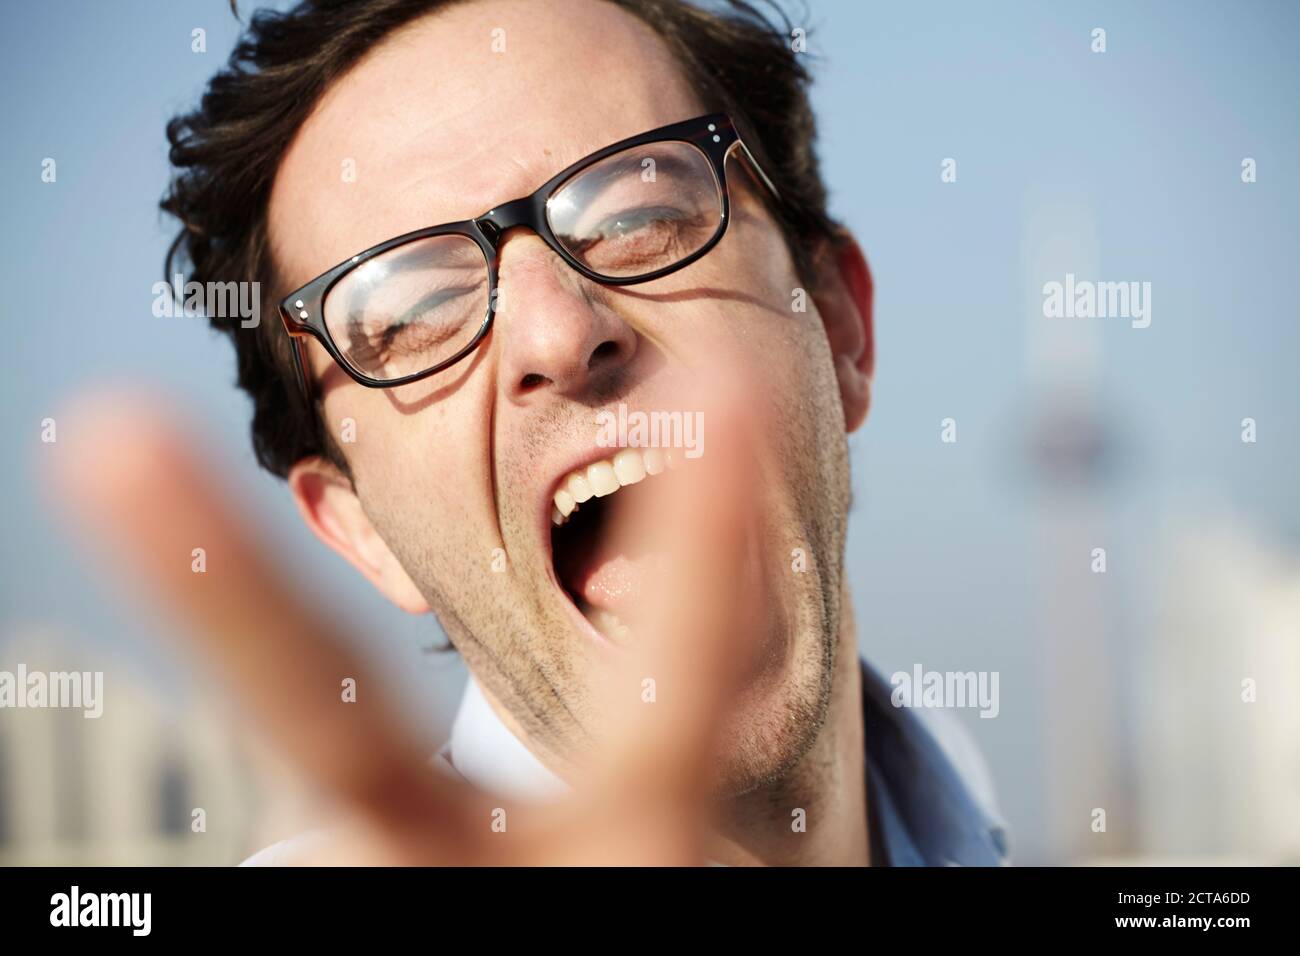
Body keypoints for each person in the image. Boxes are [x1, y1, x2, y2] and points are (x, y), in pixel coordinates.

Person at [68, 0, 1009, 866]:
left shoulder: (961, 801)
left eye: (639, 210)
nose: (560, 332)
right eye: (412, 310)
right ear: (361, 530)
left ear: (842, 328)